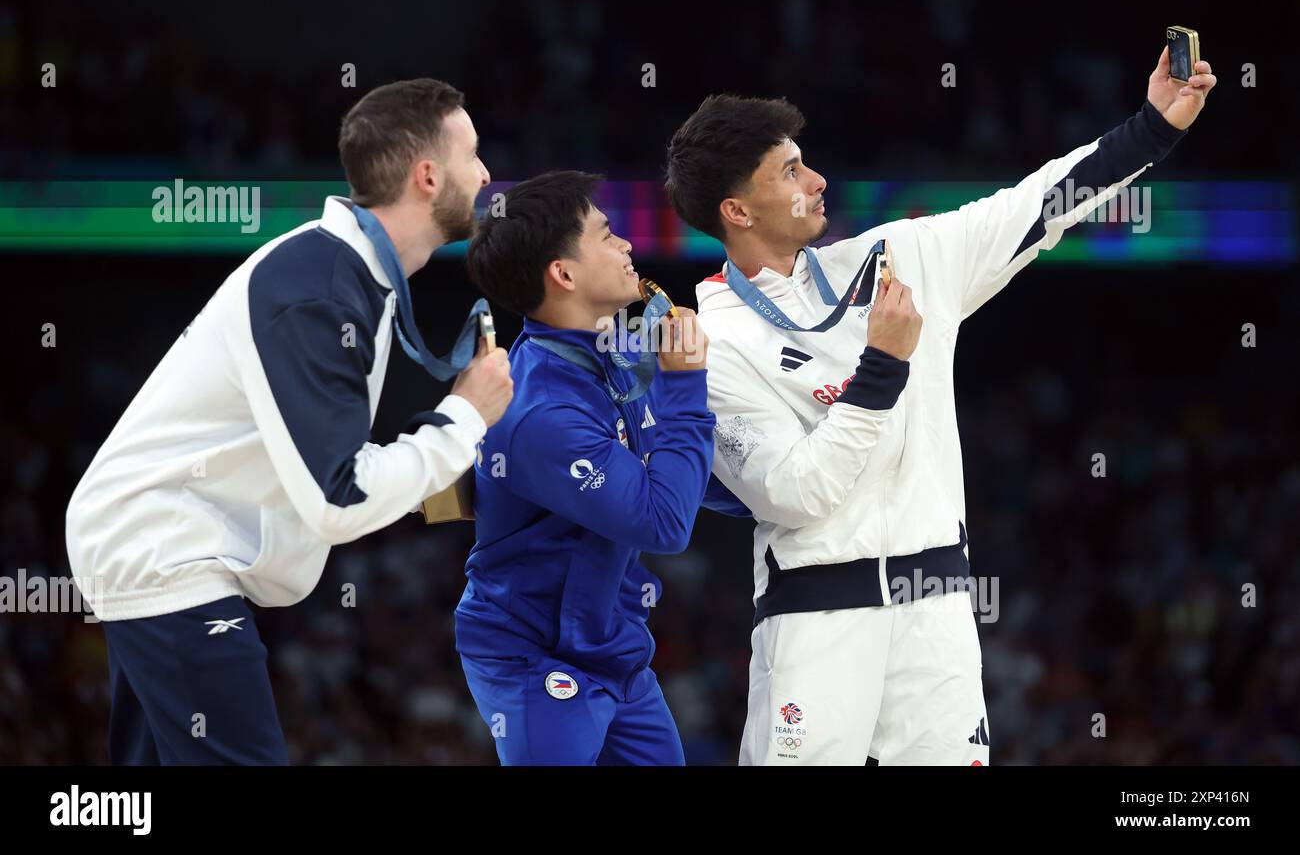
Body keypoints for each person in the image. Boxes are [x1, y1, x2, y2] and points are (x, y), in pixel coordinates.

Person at [665, 46, 1216, 765]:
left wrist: (1149, 128)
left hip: (940, 616)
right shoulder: (711, 341)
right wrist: (883, 366)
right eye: (792, 172)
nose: (819, 179)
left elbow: (1032, 210)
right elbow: (794, 491)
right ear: (736, 209)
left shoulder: (900, 255)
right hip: (817, 620)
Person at [65, 78, 514, 764]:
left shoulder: (346, 271)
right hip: (167, 550)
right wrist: (463, 418)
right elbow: (339, 497)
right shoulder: (322, 288)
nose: (485, 174)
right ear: (427, 176)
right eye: (473, 155)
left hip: (153, 543)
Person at [457, 171, 713, 765]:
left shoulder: (611, 356)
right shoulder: (542, 412)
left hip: (614, 648)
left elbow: (678, 471)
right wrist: (686, 383)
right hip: (535, 658)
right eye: (606, 235)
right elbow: (663, 523)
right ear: (564, 274)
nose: (627, 246)